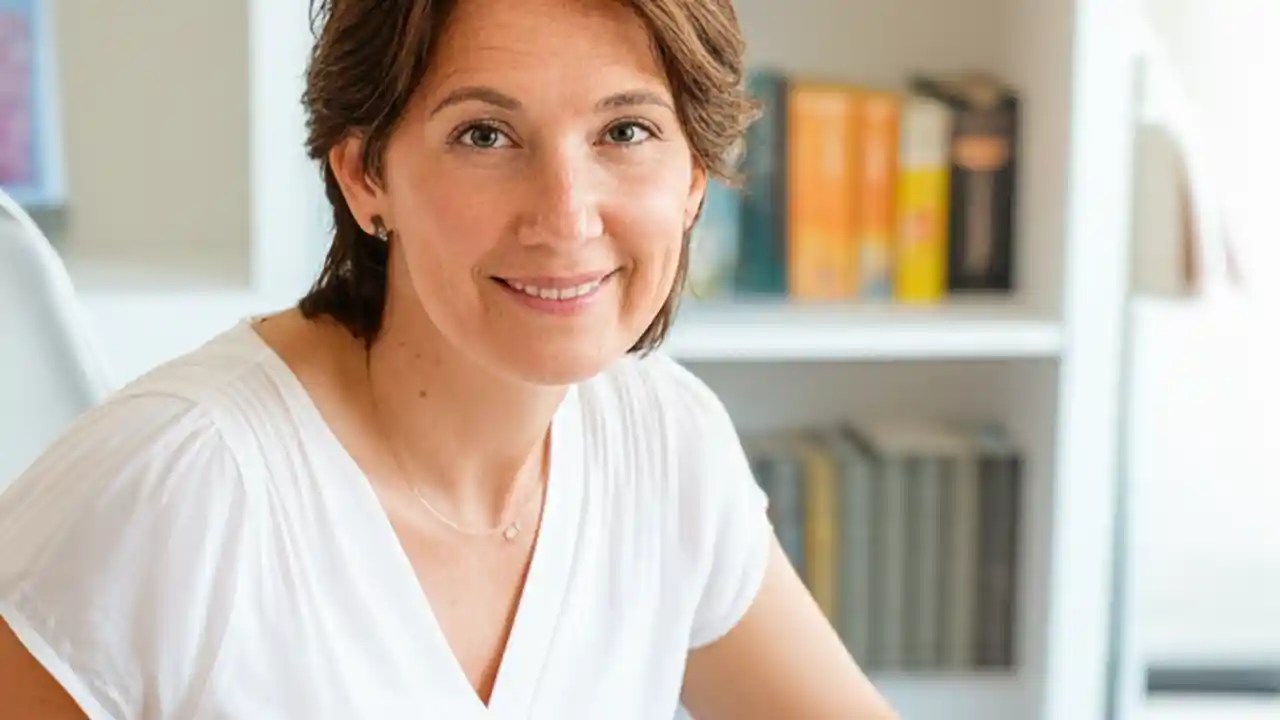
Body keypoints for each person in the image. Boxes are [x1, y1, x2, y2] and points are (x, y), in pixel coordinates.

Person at [0, 0, 897, 717]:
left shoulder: (663, 441)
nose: (566, 217)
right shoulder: (179, 487)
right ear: (365, 177)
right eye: (485, 135)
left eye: (625, 132)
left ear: (695, 177)